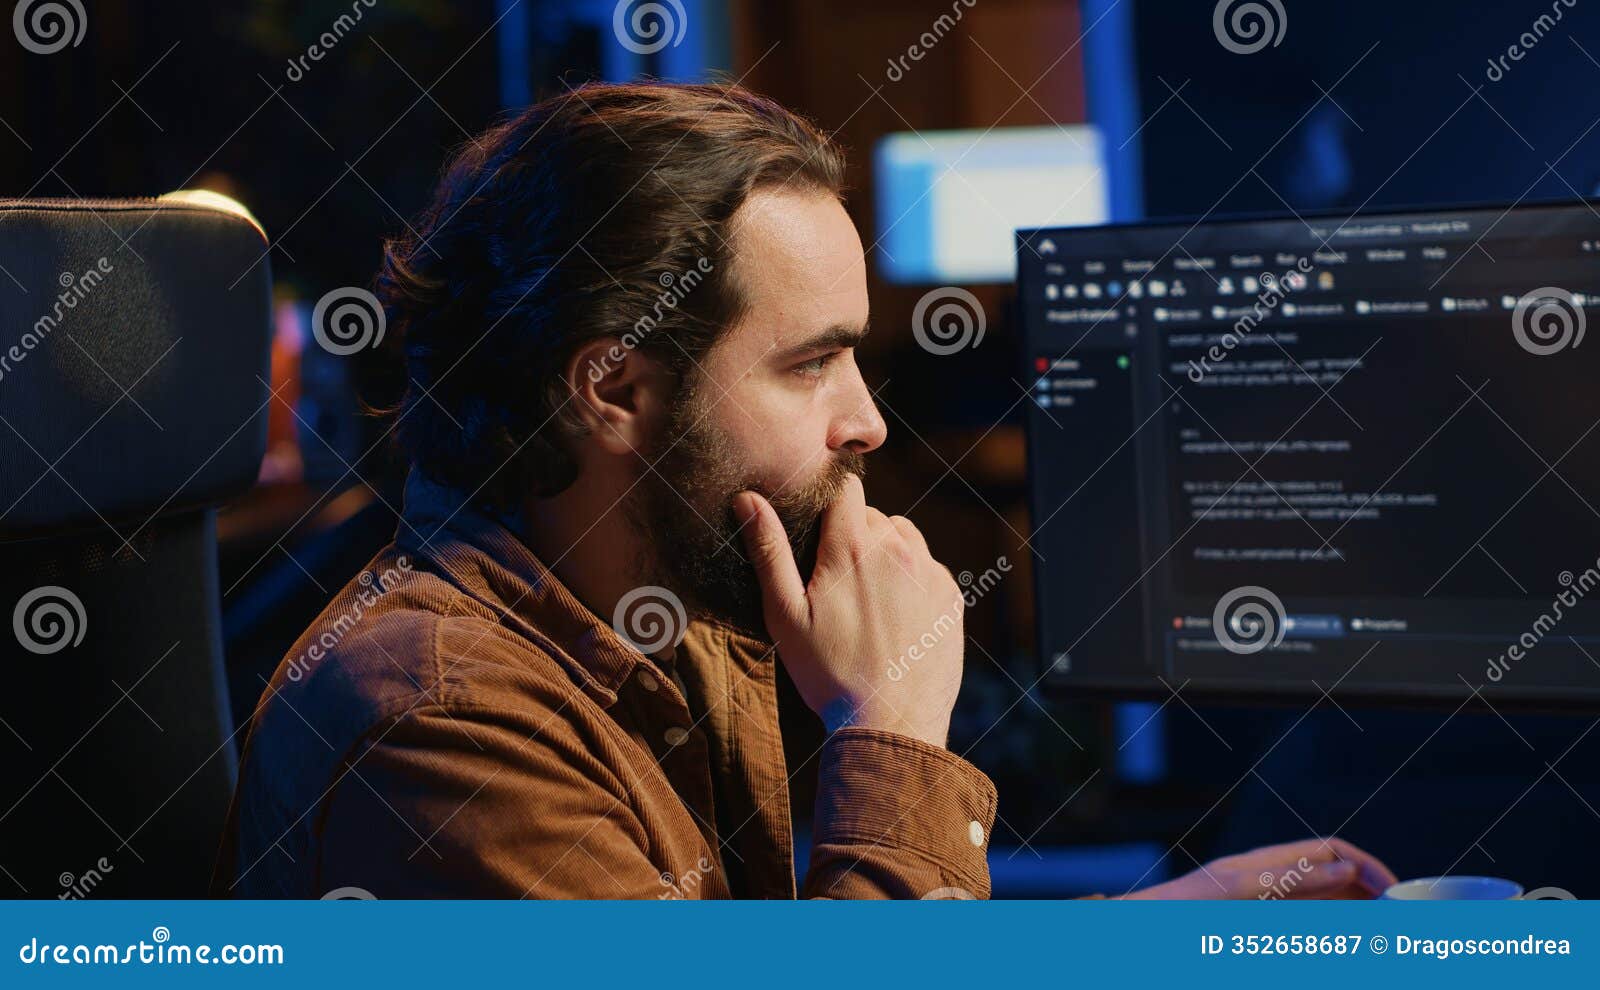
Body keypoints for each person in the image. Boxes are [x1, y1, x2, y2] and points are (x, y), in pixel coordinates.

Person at [213, 81, 1396, 899]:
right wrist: (888, 731)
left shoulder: (679, 608)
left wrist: (1146, 937)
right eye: (810, 361)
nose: (867, 422)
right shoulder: (438, 730)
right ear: (616, 389)